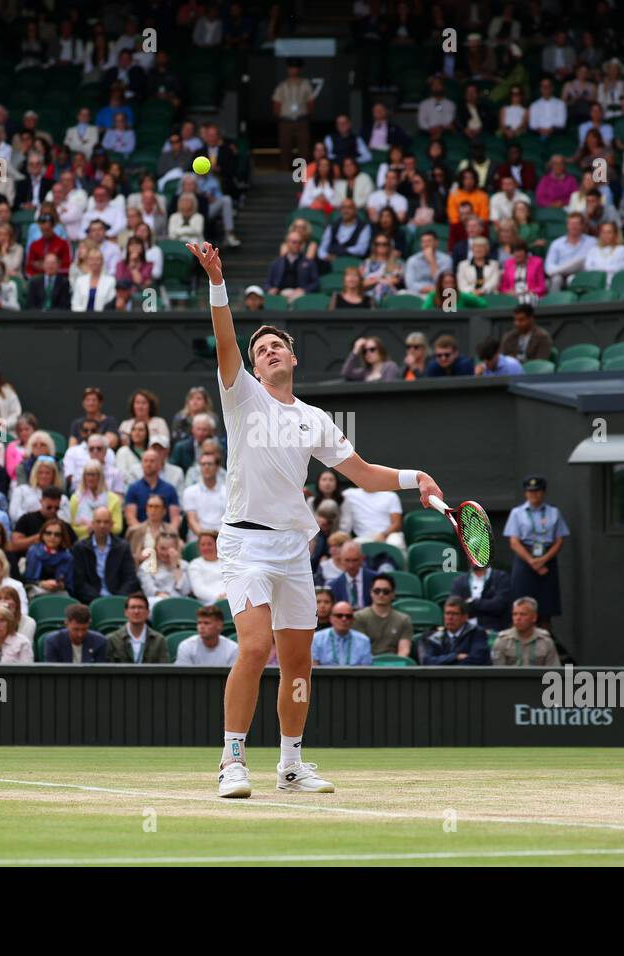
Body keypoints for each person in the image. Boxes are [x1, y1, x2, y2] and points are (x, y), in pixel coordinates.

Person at [185, 239, 444, 798]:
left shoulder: (316, 420)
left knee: (299, 666)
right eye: (262, 350)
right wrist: (216, 280)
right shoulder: (241, 396)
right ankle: (232, 761)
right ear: (251, 367)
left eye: (278, 346)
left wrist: (414, 479)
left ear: (294, 358)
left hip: (292, 551)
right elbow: (225, 333)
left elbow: (367, 475)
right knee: (255, 648)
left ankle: (291, 765)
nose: (269, 352)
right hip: (244, 546)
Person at [503, 476, 569, 632]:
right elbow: (514, 541)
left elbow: (559, 540)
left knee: (546, 610)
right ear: (526, 493)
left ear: (543, 492)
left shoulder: (553, 512)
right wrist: (532, 561)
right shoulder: (517, 513)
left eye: (537, 491)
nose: (533, 494)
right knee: (519, 605)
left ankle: (545, 646)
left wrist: (543, 560)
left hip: (547, 559)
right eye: (530, 491)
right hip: (524, 559)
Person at [69, 506, 140, 602]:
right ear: (92, 524)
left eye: (106, 522)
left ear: (111, 525)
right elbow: (79, 582)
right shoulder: (80, 548)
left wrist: (117, 599)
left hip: (118, 599)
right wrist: (98, 601)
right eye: (98, 522)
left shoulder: (123, 547)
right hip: (90, 601)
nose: (102, 525)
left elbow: (130, 579)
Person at [352, 574, 413, 657]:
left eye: (386, 591)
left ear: (393, 594)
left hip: (395, 665)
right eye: (377, 591)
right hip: (368, 665)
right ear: (371, 593)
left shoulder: (404, 620)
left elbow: (404, 650)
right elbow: (360, 650)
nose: (381, 594)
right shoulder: (359, 617)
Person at [419, 596, 489, 665]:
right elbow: (427, 661)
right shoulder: (433, 636)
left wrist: (443, 662)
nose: (450, 618)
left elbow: (477, 660)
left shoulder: (477, 633)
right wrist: (456, 657)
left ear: (465, 617)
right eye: (447, 613)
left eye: (454, 614)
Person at [491, 597, 560, 666]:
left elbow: (553, 672)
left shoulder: (546, 641)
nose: (518, 618)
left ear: (534, 617)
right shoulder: (502, 640)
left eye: (523, 614)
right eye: (515, 614)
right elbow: (497, 672)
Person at [105, 591, 168, 663]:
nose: (136, 611)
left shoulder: (159, 640)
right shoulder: (112, 640)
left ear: (148, 612)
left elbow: (164, 670)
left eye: (140, 607)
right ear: (126, 612)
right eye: (132, 607)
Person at [450, 564, 511, 633]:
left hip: (493, 631)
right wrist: (485, 605)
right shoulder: (459, 582)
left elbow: (498, 605)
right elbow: (455, 607)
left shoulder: (501, 577)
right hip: (465, 632)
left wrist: (473, 603)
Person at [310, 600, 373, 665]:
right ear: (330, 618)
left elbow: (366, 670)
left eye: (348, 616)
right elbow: (314, 669)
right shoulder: (316, 639)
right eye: (339, 616)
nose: (344, 619)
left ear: (353, 620)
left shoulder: (363, 641)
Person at [41, 603, 109, 663]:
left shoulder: (100, 641)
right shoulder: (53, 641)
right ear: (66, 623)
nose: (80, 634)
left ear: (89, 624)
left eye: (84, 629)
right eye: (76, 629)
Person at [175, 605, 240, 666]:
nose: (201, 627)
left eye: (206, 623)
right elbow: (183, 677)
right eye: (199, 623)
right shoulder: (186, 646)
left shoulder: (233, 649)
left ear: (219, 625)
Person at [187, 530, 226, 604]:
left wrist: (228, 595)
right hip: (208, 604)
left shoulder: (226, 561)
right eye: (203, 544)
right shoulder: (195, 564)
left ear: (217, 544)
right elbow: (198, 589)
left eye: (209, 544)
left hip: (230, 599)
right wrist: (218, 596)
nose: (206, 548)